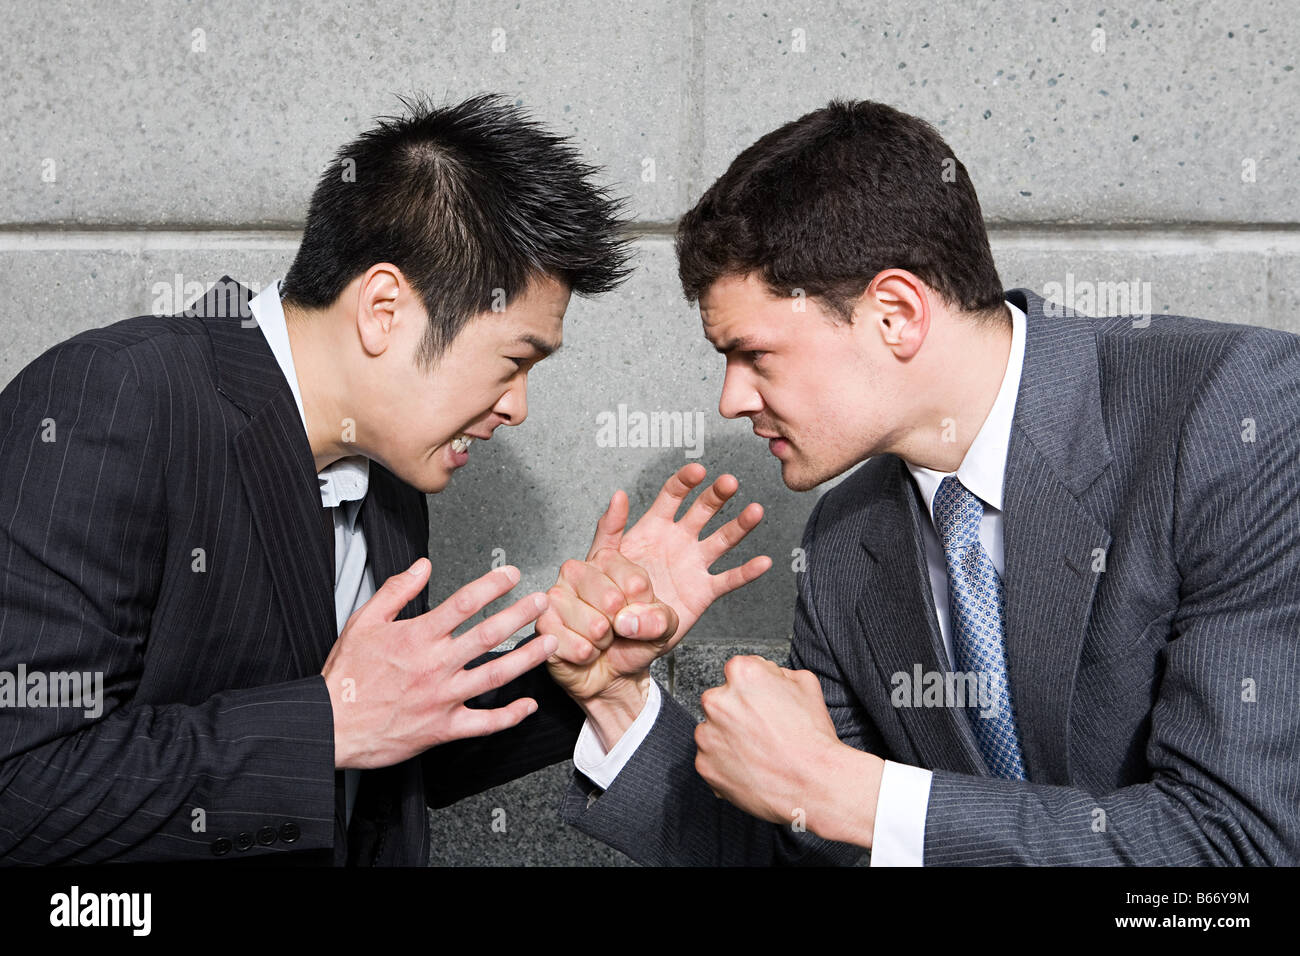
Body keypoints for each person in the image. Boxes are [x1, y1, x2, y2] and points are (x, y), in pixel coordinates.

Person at [0, 92, 764, 865]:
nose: (517, 408)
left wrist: (574, 670)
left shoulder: (391, 472)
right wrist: (327, 721)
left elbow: (385, 751)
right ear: (384, 309)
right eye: (514, 361)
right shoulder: (115, 398)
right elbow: (18, 787)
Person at [540, 98, 1300, 865]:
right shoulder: (845, 542)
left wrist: (857, 794)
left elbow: (1237, 852)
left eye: (756, 355)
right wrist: (617, 700)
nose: (731, 400)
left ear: (896, 313)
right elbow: (806, 846)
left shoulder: (1234, 414)